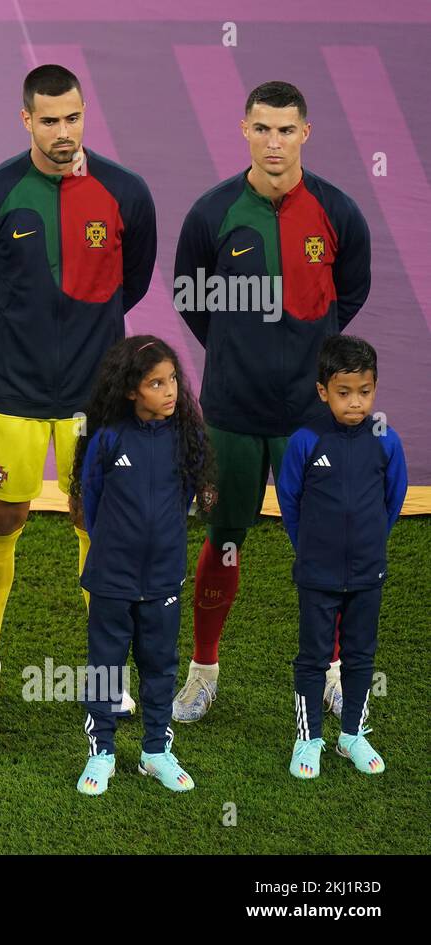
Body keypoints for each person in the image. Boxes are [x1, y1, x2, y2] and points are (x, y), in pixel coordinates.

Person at [0, 65, 156, 720]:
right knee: (2, 516)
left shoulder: (126, 193)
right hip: (12, 390)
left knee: (94, 521)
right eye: (49, 120)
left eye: (72, 117)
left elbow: (136, 281)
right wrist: (22, 334)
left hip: (98, 396)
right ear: (26, 120)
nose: (63, 131)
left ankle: (107, 670)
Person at [173, 81, 372, 722]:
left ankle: (336, 672)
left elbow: (349, 295)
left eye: (286, 130)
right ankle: (203, 672)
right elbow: (192, 298)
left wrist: (303, 351)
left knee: (321, 546)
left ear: (305, 134)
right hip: (232, 413)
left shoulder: (338, 213)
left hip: (310, 419)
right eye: (262, 129)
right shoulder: (212, 213)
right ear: (244, 131)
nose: (275, 142)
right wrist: (237, 351)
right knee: (224, 542)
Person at [70, 336, 216, 796]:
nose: (170, 390)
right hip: (111, 578)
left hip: (163, 579)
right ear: (131, 390)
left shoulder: (185, 437)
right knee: (106, 667)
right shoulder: (108, 438)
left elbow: (195, 496)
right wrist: (114, 546)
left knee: (159, 666)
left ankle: (156, 751)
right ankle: (102, 753)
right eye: (157, 383)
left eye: (172, 380)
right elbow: (90, 503)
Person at [276, 336, 406, 780]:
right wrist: (312, 548)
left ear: (375, 388)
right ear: (322, 391)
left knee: (360, 655)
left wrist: (370, 544)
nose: (356, 403)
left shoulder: (386, 441)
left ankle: (352, 733)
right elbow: (290, 503)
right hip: (318, 573)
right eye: (344, 392)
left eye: (365, 392)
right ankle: (308, 737)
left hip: (368, 572)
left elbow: (393, 500)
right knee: (313, 658)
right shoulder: (305, 441)